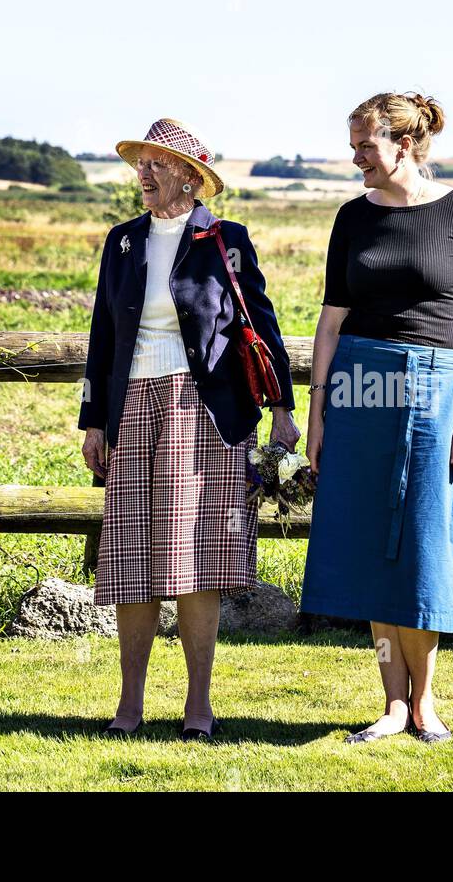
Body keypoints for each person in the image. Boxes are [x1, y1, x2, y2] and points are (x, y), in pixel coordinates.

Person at [79, 118, 300, 740]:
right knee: (131, 558)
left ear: (190, 176)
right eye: (140, 164)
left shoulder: (224, 239)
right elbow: (102, 338)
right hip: (129, 409)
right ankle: (130, 705)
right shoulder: (121, 242)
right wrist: (94, 419)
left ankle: (198, 705)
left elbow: (262, 325)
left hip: (201, 410)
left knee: (193, 560)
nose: (143, 174)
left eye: (157, 164)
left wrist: (281, 407)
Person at [301, 93, 453, 743]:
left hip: (437, 390)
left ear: (403, 145)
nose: (355, 157)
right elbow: (329, 323)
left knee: (423, 547)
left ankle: (425, 703)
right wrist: (317, 410)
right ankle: (390, 701)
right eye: (353, 145)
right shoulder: (352, 218)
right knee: (367, 551)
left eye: (365, 145)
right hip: (359, 386)